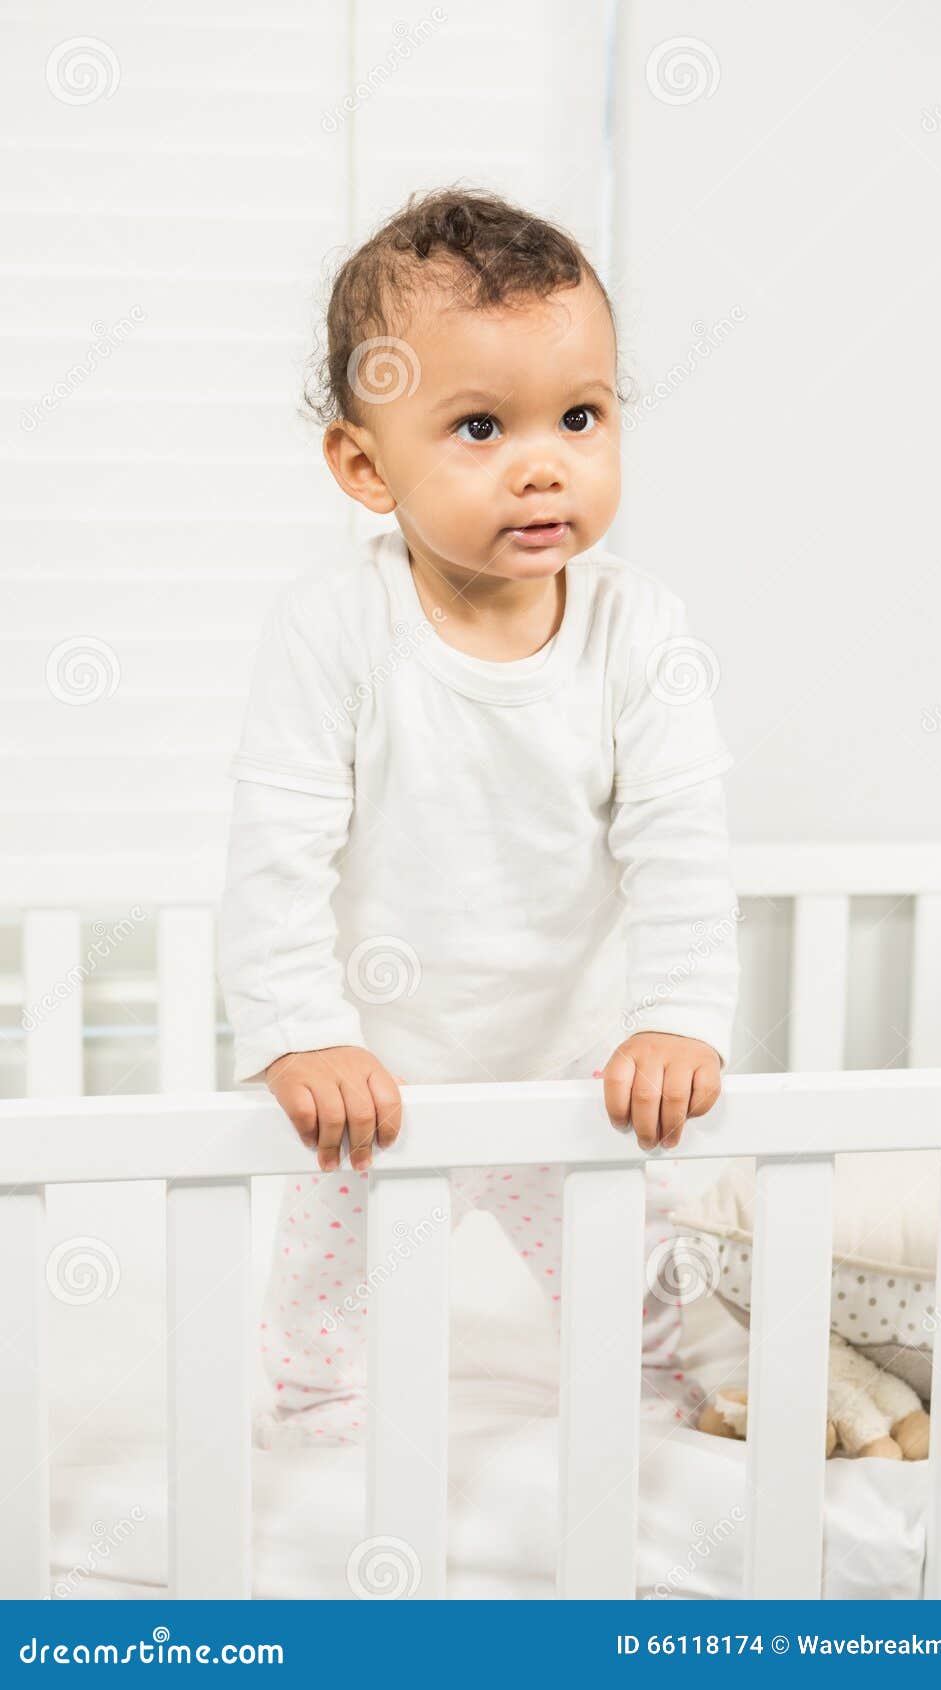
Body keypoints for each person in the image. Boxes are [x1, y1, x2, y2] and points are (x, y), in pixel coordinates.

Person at [217, 186, 740, 1444]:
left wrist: (673, 1016)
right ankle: (318, 1485)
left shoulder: (636, 630)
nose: (541, 459)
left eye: (579, 414)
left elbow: (679, 840)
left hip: (577, 1070)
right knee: (322, 1333)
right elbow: (275, 850)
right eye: (476, 426)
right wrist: (300, 1033)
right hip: (377, 1075)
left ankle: (663, 1482)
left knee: (649, 1331)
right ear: (363, 464)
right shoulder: (334, 629)